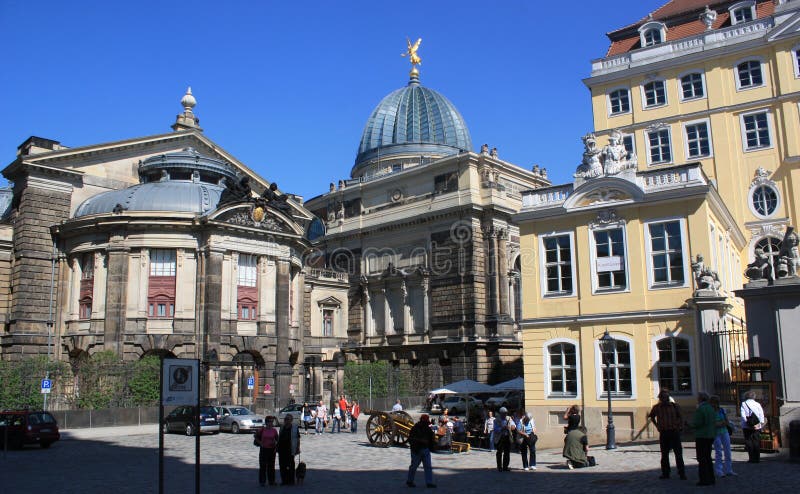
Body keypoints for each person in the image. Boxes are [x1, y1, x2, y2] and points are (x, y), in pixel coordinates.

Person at [648, 389, 686, 480]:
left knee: (678, 454)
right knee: (664, 455)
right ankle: (665, 473)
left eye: (666, 397)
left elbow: (681, 417)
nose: (665, 399)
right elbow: (652, 416)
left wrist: (680, 426)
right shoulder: (656, 407)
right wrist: (657, 425)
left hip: (674, 432)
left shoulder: (675, 406)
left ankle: (682, 473)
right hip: (664, 433)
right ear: (660, 398)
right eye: (663, 397)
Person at [692, 392, 717, 486]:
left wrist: (689, 425)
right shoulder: (711, 408)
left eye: (698, 397)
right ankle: (711, 478)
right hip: (710, 435)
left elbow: (698, 423)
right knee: (708, 457)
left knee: (702, 458)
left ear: (701, 399)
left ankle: (704, 479)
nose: (697, 399)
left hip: (702, 435)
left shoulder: (701, 409)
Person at [406, 414, 436, 488]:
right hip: (417, 450)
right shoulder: (416, 428)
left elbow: (431, 439)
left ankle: (428, 482)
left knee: (426, 466)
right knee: (415, 466)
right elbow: (411, 439)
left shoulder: (425, 429)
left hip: (423, 450)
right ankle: (410, 481)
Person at [710, 395, 735, 477]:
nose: (716, 404)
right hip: (715, 433)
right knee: (718, 452)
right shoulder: (710, 411)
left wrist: (722, 423)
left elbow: (726, 421)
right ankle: (719, 470)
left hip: (724, 432)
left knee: (728, 451)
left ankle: (729, 470)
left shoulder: (721, 410)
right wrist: (722, 423)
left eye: (717, 402)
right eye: (715, 402)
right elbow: (713, 424)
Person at [740, 390, 765, 463]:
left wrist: (747, 423)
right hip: (757, 426)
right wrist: (759, 424)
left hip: (746, 426)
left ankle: (751, 458)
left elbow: (743, 415)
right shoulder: (757, 404)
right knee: (756, 441)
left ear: (746, 396)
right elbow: (761, 415)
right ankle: (757, 458)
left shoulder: (744, 404)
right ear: (754, 397)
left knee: (749, 441)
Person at [277, 414, 300, 486]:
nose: (286, 420)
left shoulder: (295, 428)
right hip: (281, 448)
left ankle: (291, 480)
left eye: (288, 419)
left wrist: (298, 448)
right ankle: (284, 480)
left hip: (290, 448)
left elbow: (298, 438)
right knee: (282, 465)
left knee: (291, 465)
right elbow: (279, 437)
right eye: (285, 419)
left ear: (291, 420)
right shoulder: (282, 427)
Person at [256, 416, 279, 486]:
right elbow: (255, 436)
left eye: (272, 421)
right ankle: (262, 481)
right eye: (269, 421)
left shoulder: (274, 430)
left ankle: (271, 481)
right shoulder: (262, 429)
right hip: (264, 449)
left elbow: (277, 439)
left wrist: (275, 444)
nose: (271, 423)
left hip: (272, 450)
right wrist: (260, 443)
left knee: (271, 466)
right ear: (266, 422)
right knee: (263, 466)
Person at [493, 407, 514, 471]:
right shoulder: (496, 420)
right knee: (499, 452)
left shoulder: (509, 418)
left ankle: (505, 466)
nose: (505, 414)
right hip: (500, 437)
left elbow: (513, 425)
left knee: (507, 452)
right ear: (500, 413)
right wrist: (502, 428)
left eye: (506, 413)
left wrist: (513, 426)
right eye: (504, 413)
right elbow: (495, 429)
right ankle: (499, 467)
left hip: (507, 437)